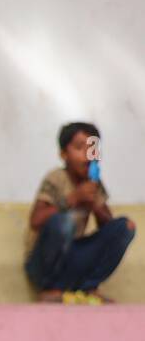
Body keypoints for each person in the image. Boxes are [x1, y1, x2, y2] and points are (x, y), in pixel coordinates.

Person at [25, 122, 136, 304]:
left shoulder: (94, 183)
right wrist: (72, 199)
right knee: (64, 222)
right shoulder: (56, 178)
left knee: (125, 227)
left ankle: (88, 287)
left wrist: (95, 205)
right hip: (42, 263)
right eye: (79, 148)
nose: (87, 155)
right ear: (63, 154)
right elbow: (36, 220)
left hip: (73, 259)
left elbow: (107, 230)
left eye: (92, 149)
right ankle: (50, 288)